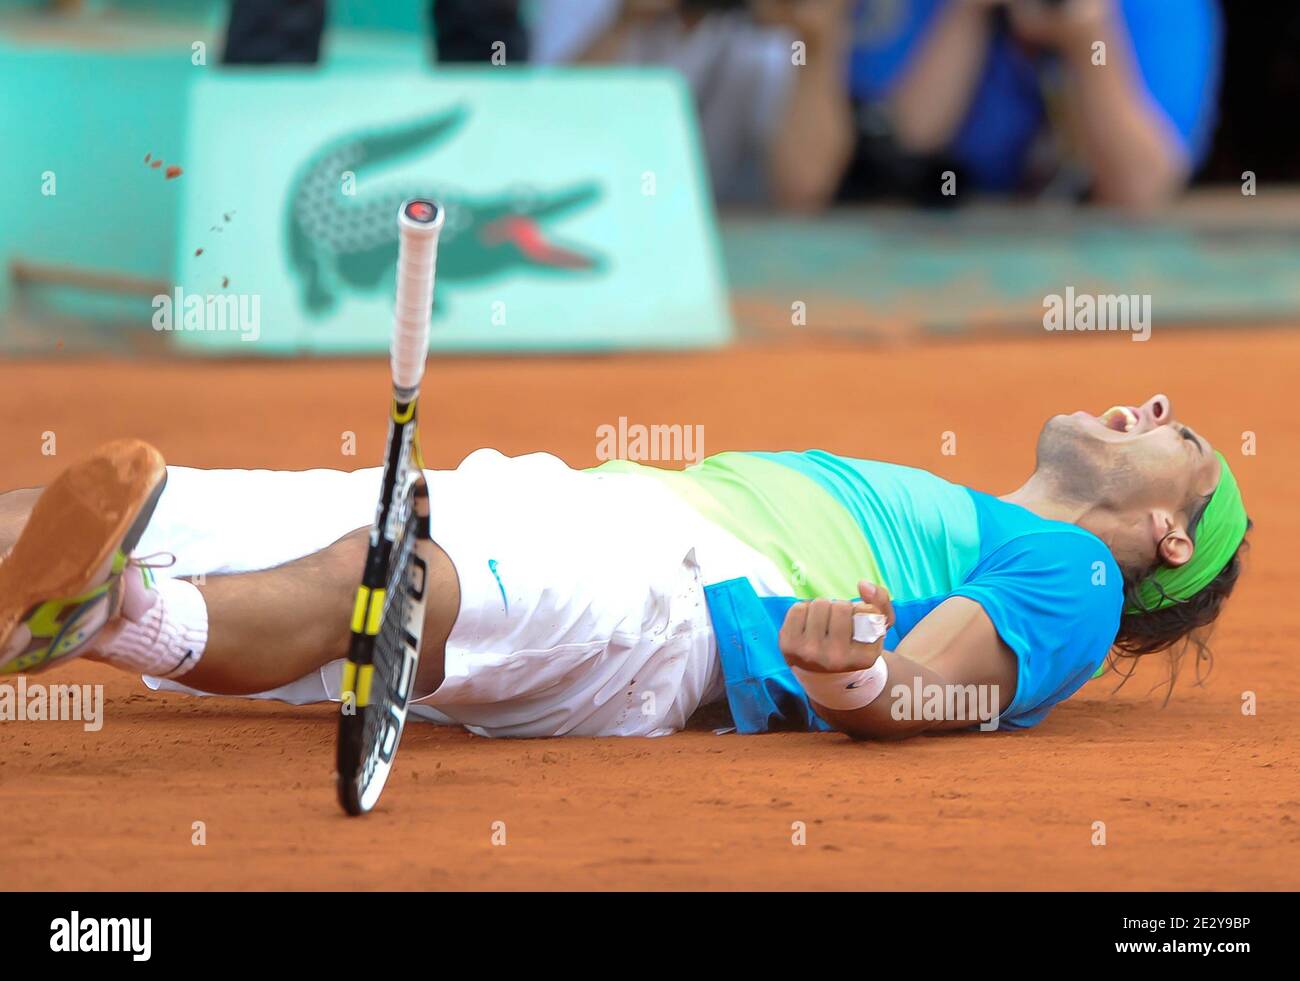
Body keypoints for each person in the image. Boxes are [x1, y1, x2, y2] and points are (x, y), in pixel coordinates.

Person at [0, 394, 1248, 740]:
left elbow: (932, 684)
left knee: (384, 577)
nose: (1145, 405)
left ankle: (117, 616)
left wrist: (855, 680)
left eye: (1176, 432)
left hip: (676, 597)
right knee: (110, 502)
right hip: (591, 507)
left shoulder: (1075, 580)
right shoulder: (967, 514)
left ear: (1170, 539)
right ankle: (97, 592)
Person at [530, 0, 856, 210]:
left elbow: (803, 191)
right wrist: (621, 23)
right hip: (597, 219)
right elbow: (544, 148)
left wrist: (817, 47)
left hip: (731, 244)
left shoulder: (781, 20)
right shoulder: (586, 9)